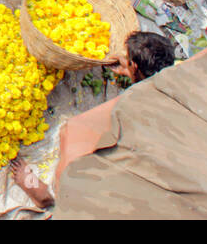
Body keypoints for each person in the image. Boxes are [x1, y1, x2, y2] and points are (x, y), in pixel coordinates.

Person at [10, 29, 177, 209]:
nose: (119, 57)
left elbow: (79, 134)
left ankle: (47, 196)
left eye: (125, 57)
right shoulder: (169, 80)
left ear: (134, 66)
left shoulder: (134, 109)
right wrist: (126, 70)